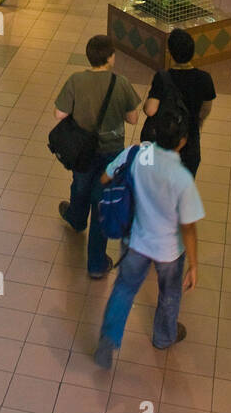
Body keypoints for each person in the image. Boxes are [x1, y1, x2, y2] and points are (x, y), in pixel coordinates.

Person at [93, 107, 205, 368]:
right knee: (169, 292)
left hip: (135, 242)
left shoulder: (136, 153)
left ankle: (108, 341)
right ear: (182, 141)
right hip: (169, 251)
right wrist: (194, 265)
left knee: (124, 288)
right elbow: (188, 227)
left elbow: (105, 176)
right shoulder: (182, 179)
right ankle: (164, 337)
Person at [54, 35, 140, 279]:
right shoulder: (121, 83)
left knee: (80, 185)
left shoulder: (76, 80)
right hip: (111, 153)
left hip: (83, 151)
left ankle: (76, 219)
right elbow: (133, 118)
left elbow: (59, 114)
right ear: (110, 58)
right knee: (102, 201)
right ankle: (95, 263)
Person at [142, 28, 216, 177]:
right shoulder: (204, 78)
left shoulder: (162, 77)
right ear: (192, 51)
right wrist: (195, 122)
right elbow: (205, 110)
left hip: (162, 142)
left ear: (170, 53)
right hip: (190, 140)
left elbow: (150, 110)